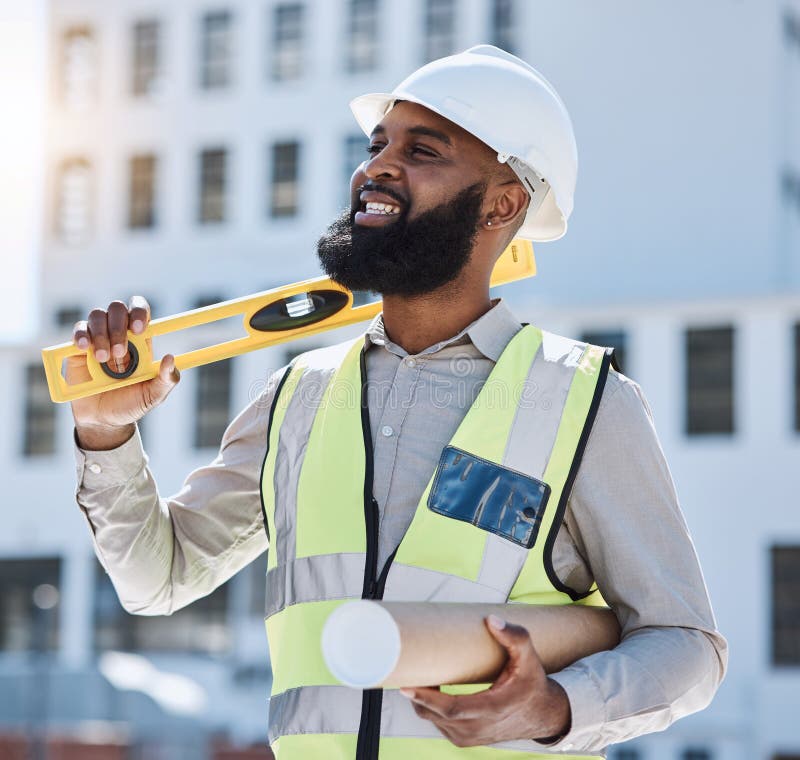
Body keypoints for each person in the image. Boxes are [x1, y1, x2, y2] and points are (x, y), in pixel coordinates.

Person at [68, 46, 727, 759]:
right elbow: (158, 577)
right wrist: (106, 438)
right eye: (377, 144)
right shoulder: (298, 396)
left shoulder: (585, 403)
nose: (377, 166)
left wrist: (556, 706)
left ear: (503, 204)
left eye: (423, 150)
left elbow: (685, 646)